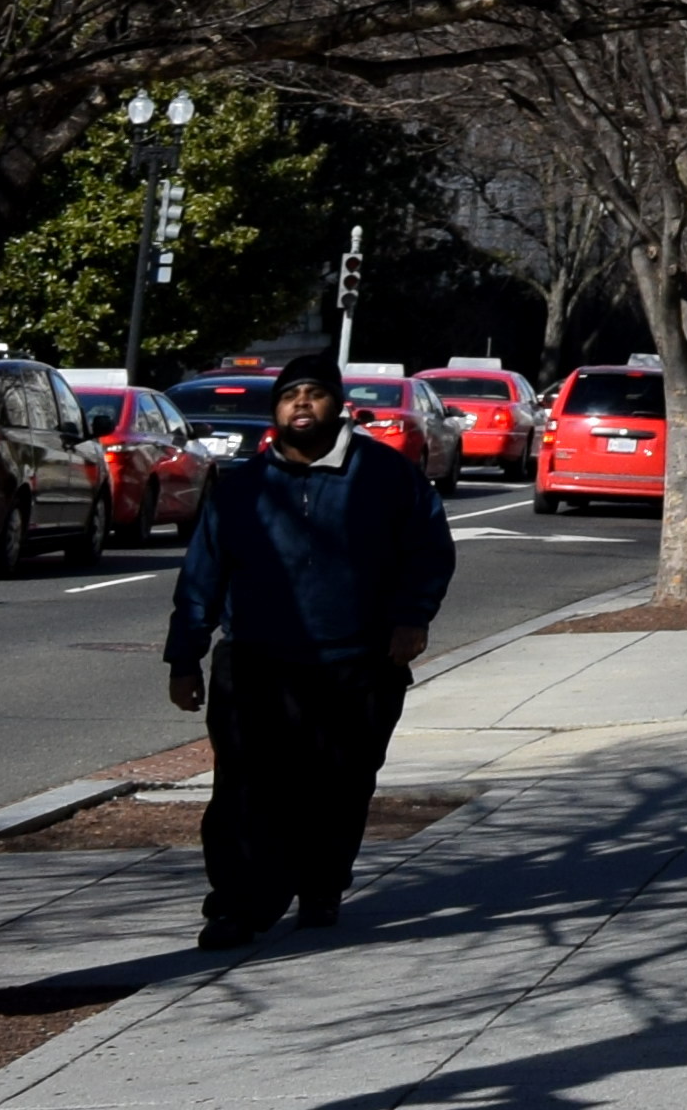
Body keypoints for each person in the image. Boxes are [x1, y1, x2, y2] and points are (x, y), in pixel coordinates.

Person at [161, 359, 452, 950]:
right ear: (275, 410)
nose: (301, 404)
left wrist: (411, 618)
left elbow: (429, 550)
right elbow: (202, 576)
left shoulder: (386, 475)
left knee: (339, 785)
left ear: (337, 405)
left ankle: (321, 885)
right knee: (244, 788)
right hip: (257, 661)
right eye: (289, 396)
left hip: (357, 662)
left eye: (314, 394)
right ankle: (237, 906)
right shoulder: (242, 487)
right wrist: (185, 657)